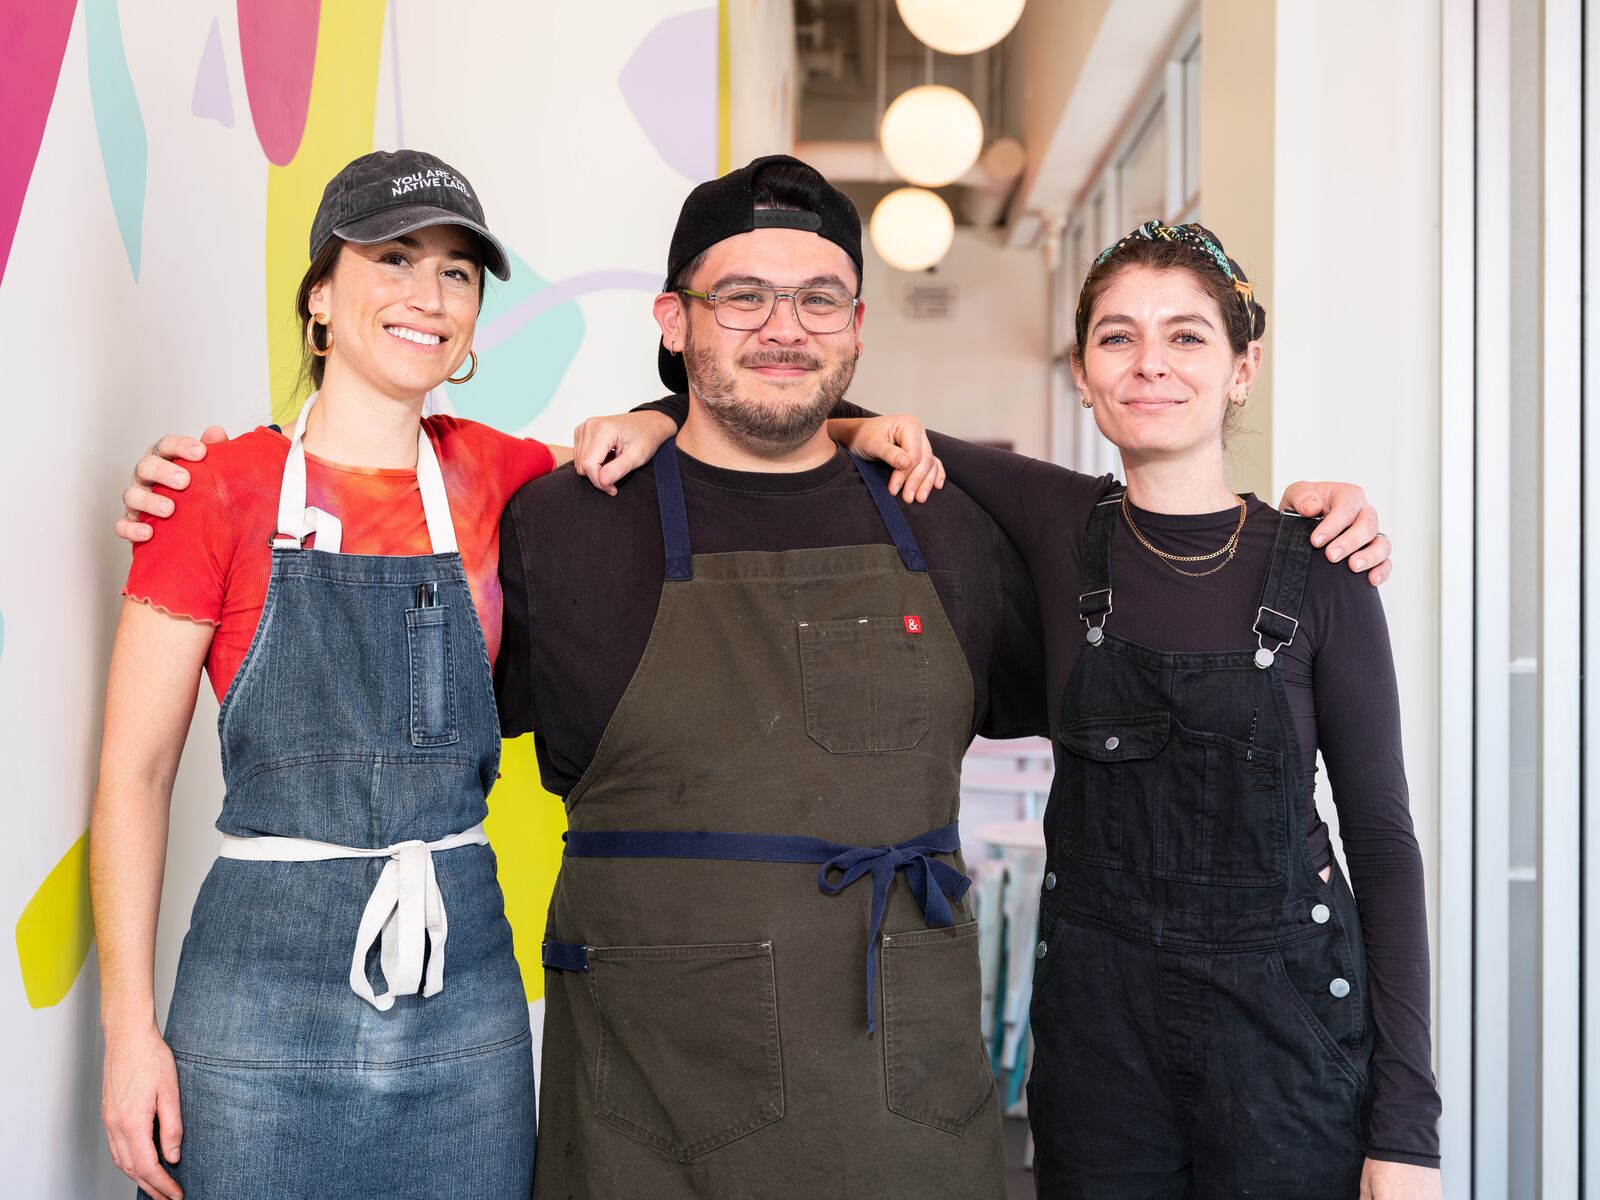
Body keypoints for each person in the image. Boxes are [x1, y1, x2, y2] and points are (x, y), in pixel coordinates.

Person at [118, 156, 1391, 1197]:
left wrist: (1302, 533)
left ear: (856, 329)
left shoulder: (943, 519)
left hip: (898, 1091)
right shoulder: (564, 511)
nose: (783, 329)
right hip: (634, 1102)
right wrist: (198, 487)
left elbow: (1153, 595)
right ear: (671, 325)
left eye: (819, 299)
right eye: (741, 299)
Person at [91, 149, 676, 1200]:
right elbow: (134, 775)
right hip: (254, 1004)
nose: (428, 294)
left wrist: (657, 420)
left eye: (457, 271)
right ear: (321, 295)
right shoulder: (212, 489)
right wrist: (128, 1037)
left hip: (465, 997)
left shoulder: (506, 479)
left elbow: (697, 476)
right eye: (395, 258)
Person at [831, 221, 1440, 1198]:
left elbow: (1382, 843)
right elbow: (830, 418)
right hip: (1100, 1053)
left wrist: (1407, 1130)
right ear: (1082, 373)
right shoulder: (1058, 521)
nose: (1149, 362)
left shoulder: (1324, 564)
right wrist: (851, 430)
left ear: (1243, 369)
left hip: (1288, 1050)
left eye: (1186, 336)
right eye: (1117, 337)